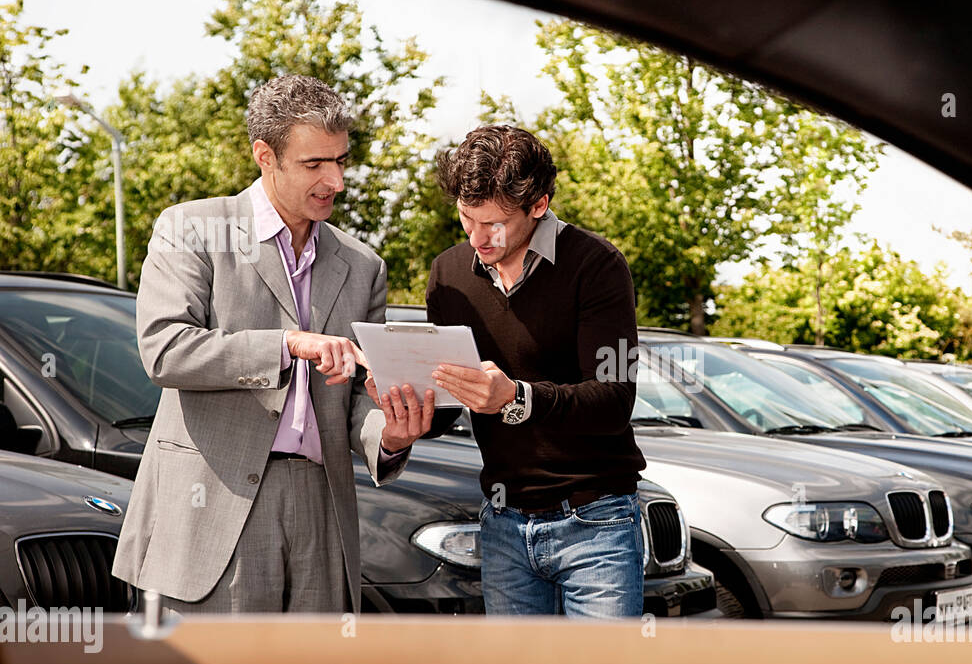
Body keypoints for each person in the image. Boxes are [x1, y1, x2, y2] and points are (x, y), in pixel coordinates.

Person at [111, 75, 434, 614]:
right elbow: (166, 350)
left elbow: (359, 397)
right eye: (315, 164)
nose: (335, 180)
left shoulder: (364, 266)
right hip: (215, 503)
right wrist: (287, 345)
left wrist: (390, 436)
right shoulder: (192, 228)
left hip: (321, 505)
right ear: (265, 156)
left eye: (341, 161)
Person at [424, 124, 647, 617]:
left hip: (597, 523)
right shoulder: (448, 274)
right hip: (502, 524)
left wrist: (516, 397)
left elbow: (614, 400)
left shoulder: (598, 265)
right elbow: (448, 408)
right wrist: (407, 407)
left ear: (539, 205)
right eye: (466, 218)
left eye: (494, 224)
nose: (477, 238)